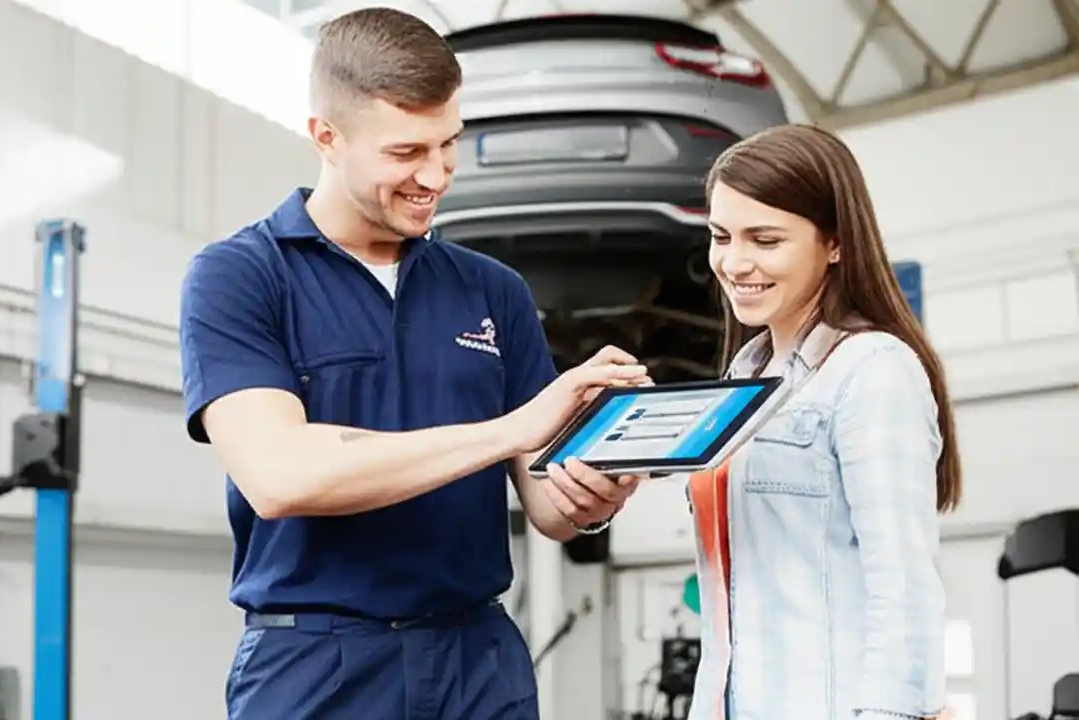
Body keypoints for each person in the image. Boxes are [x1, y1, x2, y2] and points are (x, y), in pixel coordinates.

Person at [178, 7, 648, 719]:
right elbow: (280, 474)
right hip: (317, 666)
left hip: (478, 660)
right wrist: (513, 429)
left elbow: (549, 507)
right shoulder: (240, 277)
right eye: (405, 153)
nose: (436, 176)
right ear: (326, 138)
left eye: (449, 144)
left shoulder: (494, 290)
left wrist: (598, 489)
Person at [685, 123, 962, 720]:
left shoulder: (874, 370)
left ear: (834, 243)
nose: (735, 262)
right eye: (720, 236)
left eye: (765, 239)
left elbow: (904, 587)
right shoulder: (743, 377)